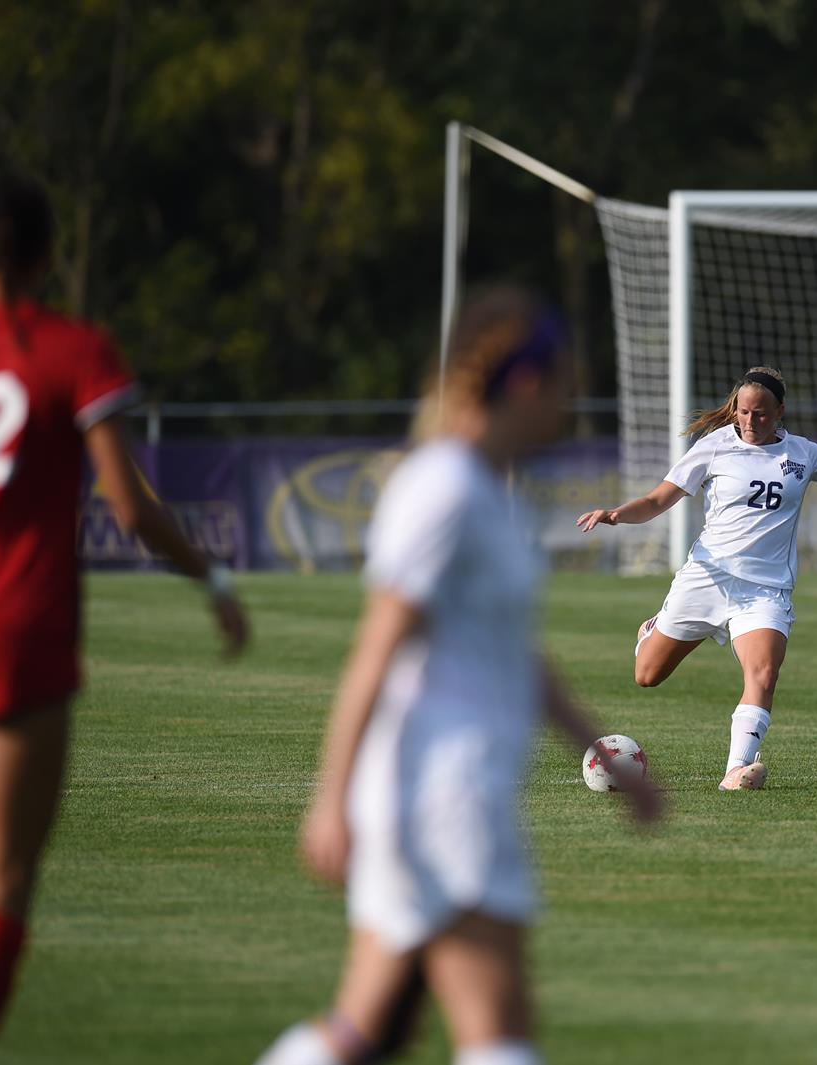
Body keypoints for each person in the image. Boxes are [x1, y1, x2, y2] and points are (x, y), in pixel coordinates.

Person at [257, 289, 660, 1065]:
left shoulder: (484, 491)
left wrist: (605, 755)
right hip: (445, 795)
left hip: (439, 792)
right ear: (526, 382)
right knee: (497, 1030)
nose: (572, 403)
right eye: (566, 382)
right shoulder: (444, 489)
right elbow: (376, 649)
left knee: (366, 1028)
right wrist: (328, 797)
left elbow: (517, 654)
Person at [0, 173, 248, 1056]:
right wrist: (210, 583)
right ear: (49, 252)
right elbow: (129, 509)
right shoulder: (70, 349)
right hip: (17, 630)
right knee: (4, 878)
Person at [577, 367, 817, 791]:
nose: (751, 422)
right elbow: (659, 499)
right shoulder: (713, 448)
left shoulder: (804, 454)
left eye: (762, 414)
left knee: (764, 674)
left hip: (764, 590)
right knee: (647, 675)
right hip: (706, 579)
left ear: (780, 411)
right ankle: (652, 630)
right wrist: (617, 515)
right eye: (743, 413)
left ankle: (736, 770)